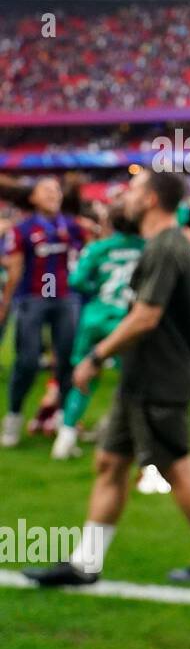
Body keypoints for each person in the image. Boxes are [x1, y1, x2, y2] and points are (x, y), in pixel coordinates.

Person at [24, 168, 190, 586]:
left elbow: (146, 317)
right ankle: (86, 563)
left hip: (160, 376)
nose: (126, 196)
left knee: (176, 467)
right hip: (141, 375)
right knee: (109, 462)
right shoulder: (158, 243)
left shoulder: (165, 245)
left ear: (151, 200)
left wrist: (95, 356)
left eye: (136, 190)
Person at [51, 201, 146, 460]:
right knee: (134, 378)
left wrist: (99, 287)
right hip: (127, 322)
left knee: (84, 376)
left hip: (95, 317)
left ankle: (66, 436)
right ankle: (124, 433)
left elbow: (77, 280)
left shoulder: (98, 248)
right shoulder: (148, 249)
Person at [0, 177, 85, 447]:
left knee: (67, 362)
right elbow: (14, 268)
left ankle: (64, 418)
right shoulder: (22, 229)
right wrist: (6, 304)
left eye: (57, 190)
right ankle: (13, 416)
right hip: (32, 299)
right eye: (46, 190)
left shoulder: (72, 227)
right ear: (33, 197)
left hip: (65, 299)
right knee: (27, 361)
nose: (53, 194)